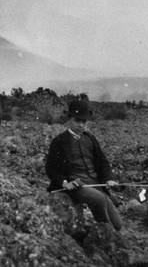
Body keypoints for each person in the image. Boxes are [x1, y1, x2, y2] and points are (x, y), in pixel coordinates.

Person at [46, 99, 123, 231]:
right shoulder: (59, 141)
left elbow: (103, 162)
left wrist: (108, 179)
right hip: (76, 185)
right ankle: (105, 233)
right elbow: (51, 169)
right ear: (69, 119)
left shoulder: (90, 139)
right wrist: (65, 183)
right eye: (77, 120)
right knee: (98, 200)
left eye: (84, 121)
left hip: (95, 183)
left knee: (118, 224)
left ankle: (109, 230)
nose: (81, 125)